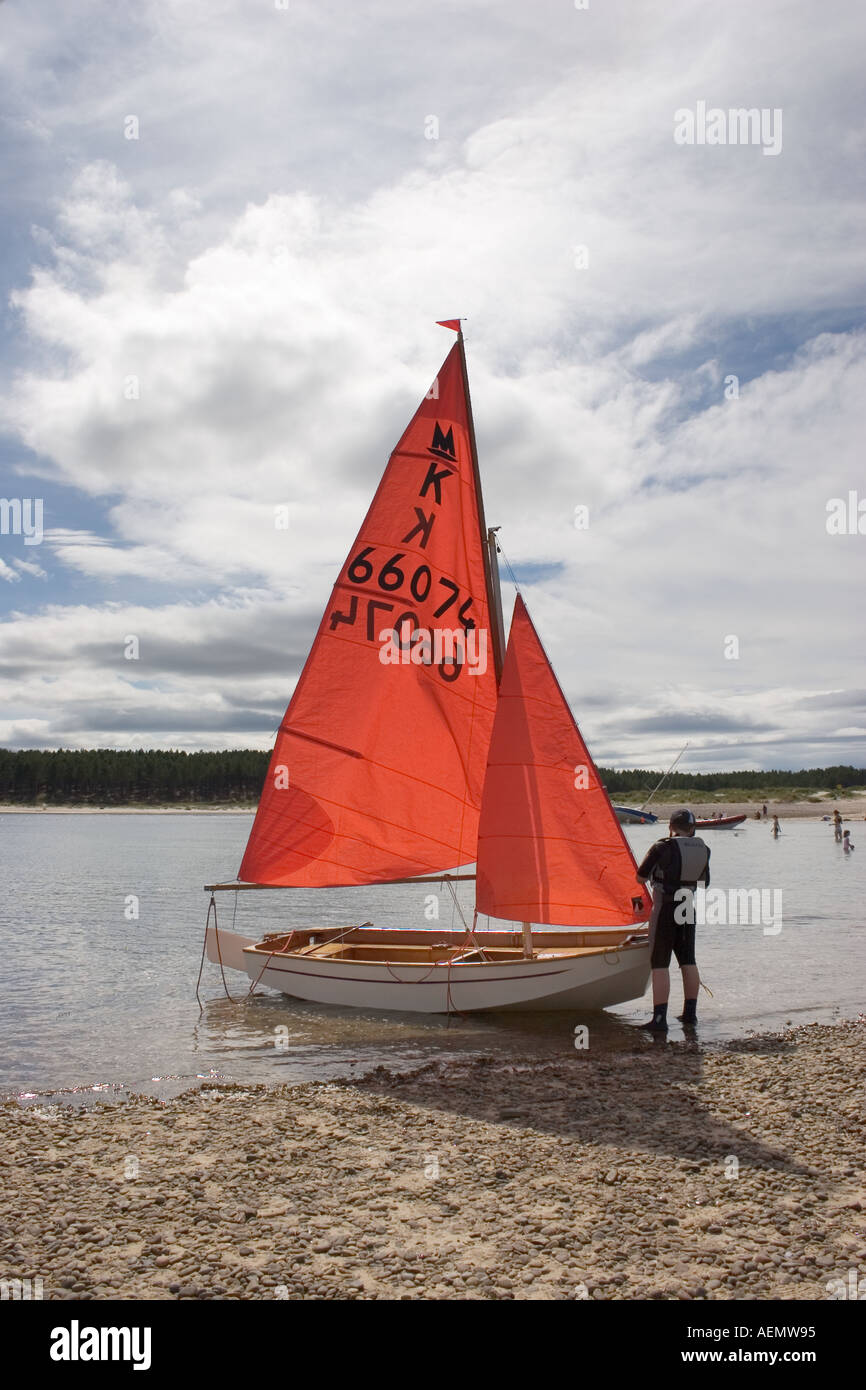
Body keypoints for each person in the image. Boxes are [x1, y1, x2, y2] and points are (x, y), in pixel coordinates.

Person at [634, 809, 710, 1032]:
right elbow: (705, 881)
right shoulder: (704, 849)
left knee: (659, 963)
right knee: (688, 960)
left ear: (671, 827)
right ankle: (690, 1015)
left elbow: (640, 876)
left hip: (666, 907)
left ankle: (659, 1020)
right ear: (693, 829)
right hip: (688, 906)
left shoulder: (662, 846)